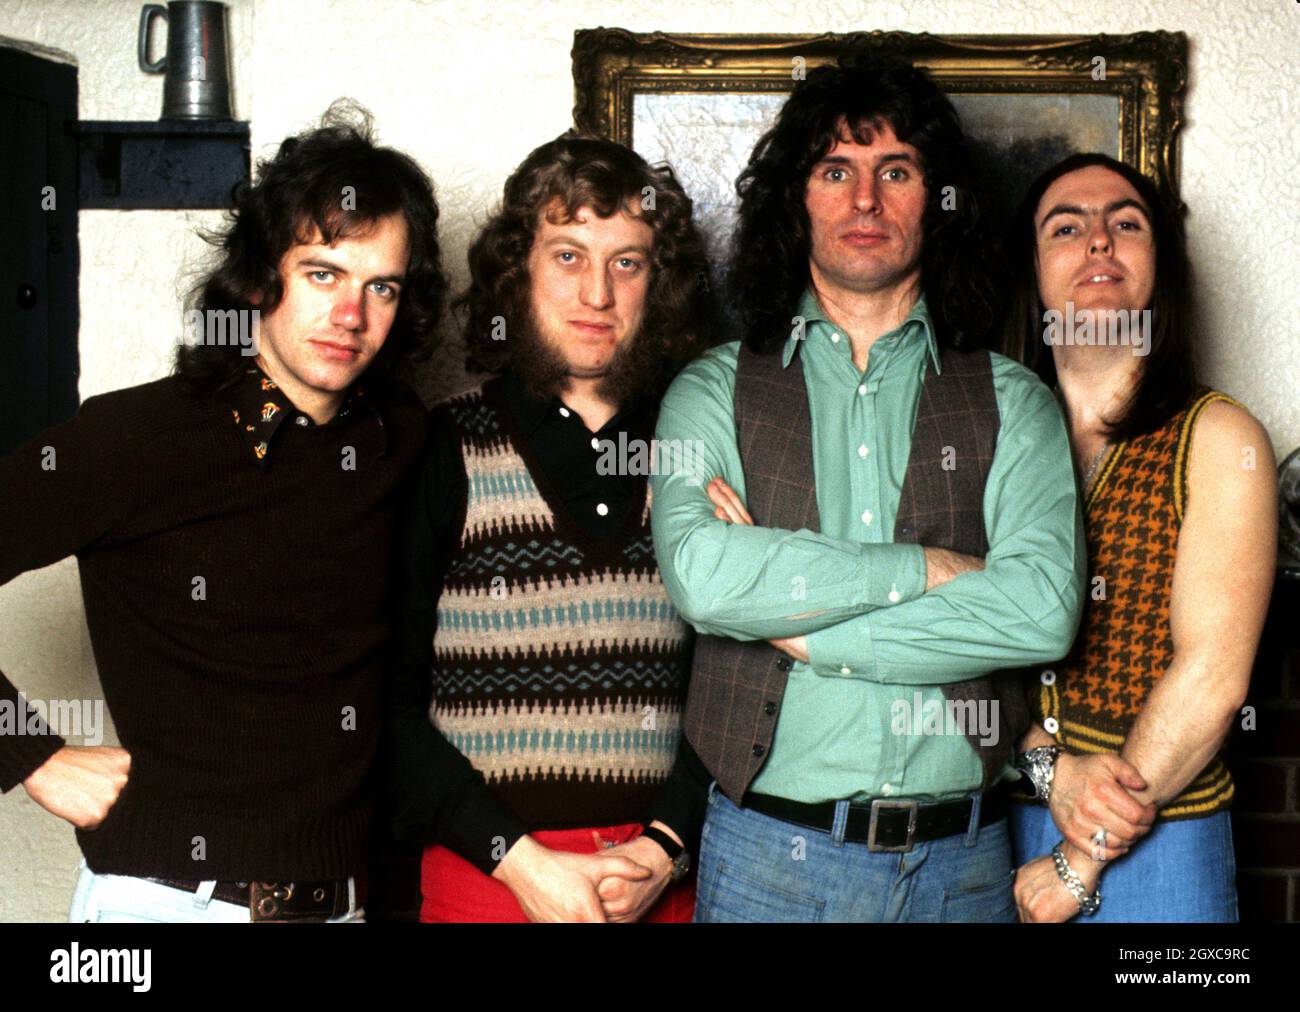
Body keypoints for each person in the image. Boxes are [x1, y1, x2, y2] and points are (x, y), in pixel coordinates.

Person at [649, 53, 1086, 923]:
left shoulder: (1012, 398)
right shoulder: (710, 389)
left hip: (964, 866)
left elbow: (1040, 610)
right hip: (766, 858)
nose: (864, 201)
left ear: (937, 197)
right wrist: (931, 568)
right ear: (796, 198)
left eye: (897, 171)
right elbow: (703, 576)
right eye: (834, 170)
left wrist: (805, 627)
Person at [0, 104, 444, 922]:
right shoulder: (137, 438)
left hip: (341, 907)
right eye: (322, 274)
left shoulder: (398, 439)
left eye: (380, 285)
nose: (352, 315)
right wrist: (32, 755)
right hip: (167, 906)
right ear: (256, 277)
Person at [386, 132, 720, 922]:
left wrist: (666, 846)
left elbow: (737, 685)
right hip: (490, 877)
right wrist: (519, 860)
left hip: (659, 882)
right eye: (568, 256)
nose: (597, 295)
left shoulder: (700, 447)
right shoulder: (444, 447)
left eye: (627, 262)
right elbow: (382, 701)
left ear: (657, 283)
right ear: (519, 270)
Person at [1001, 152, 1276, 922]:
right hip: (997, 827)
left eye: (1126, 224)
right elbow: (945, 642)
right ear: (1034, 270)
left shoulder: (1217, 435)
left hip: (1162, 846)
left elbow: (1214, 679)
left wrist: (1078, 861)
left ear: (1162, 268)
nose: (1098, 242)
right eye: (1067, 226)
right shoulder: (991, 440)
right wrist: (1047, 769)